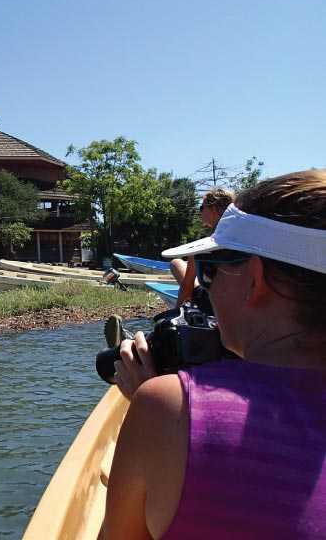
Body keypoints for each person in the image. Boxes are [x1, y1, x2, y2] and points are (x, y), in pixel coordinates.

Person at [102, 170, 326, 539]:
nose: (207, 288)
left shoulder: (167, 407)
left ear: (255, 279)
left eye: (208, 272)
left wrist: (164, 406)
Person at [169, 188, 234, 309]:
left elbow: (187, 286)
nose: (200, 212)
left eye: (202, 208)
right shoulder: (241, 240)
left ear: (214, 209)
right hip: (239, 297)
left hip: (211, 302)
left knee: (176, 263)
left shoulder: (204, 246)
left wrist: (176, 312)